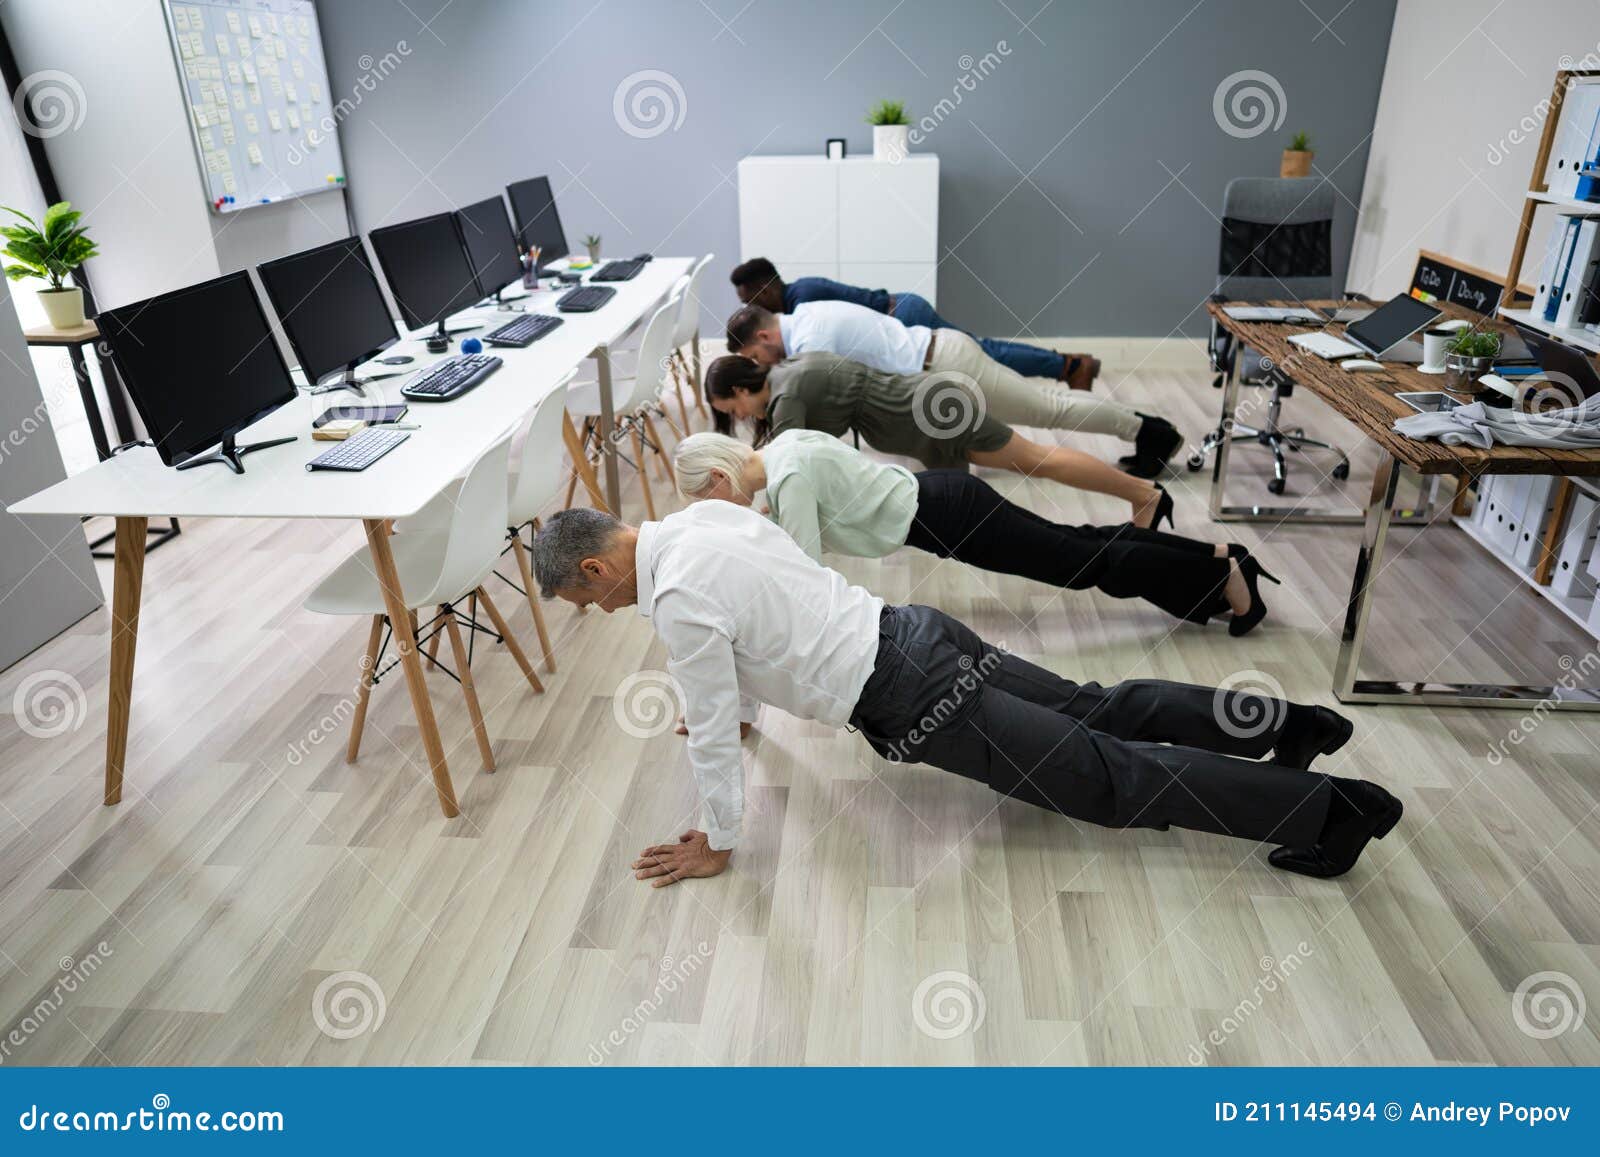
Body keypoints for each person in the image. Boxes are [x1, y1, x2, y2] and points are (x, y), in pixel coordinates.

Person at [529, 501, 1401, 887]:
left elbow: (714, 727)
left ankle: (1334, 812)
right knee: (1099, 708)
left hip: (911, 694)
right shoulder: (699, 522)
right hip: (916, 630)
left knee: (1114, 779)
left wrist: (721, 839)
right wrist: (744, 704)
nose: (599, 611)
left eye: (586, 599)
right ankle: (1296, 726)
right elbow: (767, 609)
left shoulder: (676, 601)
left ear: (598, 567)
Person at [671, 429, 1277, 634]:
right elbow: (805, 507)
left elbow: (800, 570)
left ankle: (1222, 574)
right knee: (1079, 545)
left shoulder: (788, 480)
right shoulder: (784, 447)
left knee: (1081, 565)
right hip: (945, 499)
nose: (711, 508)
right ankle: (1217, 555)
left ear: (719, 476)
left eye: (706, 498)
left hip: (951, 518)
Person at [703, 352, 1173, 530]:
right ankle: (1132, 501)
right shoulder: (791, 369)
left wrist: (756, 509)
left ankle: (1143, 494)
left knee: (1036, 459)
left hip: (930, 416)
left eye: (733, 409)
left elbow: (784, 466)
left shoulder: (787, 398)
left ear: (741, 390)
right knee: (970, 508)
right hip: (926, 409)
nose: (740, 418)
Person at [726, 300, 1183, 478]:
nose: (759, 366)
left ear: (764, 336)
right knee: (1046, 409)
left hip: (944, 368)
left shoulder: (811, 343)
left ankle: (1150, 431)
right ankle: (1147, 430)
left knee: (1048, 409)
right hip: (936, 359)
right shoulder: (806, 315)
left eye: (754, 356)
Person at [728, 256, 1101, 390]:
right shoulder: (799, 296)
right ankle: (1066, 365)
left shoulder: (804, 302)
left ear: (765, 289)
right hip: (902, 311)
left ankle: (1069, 366)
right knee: (984, 350)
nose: (749, 307)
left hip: (903, 318)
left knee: (985, 354)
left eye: (749, 299)